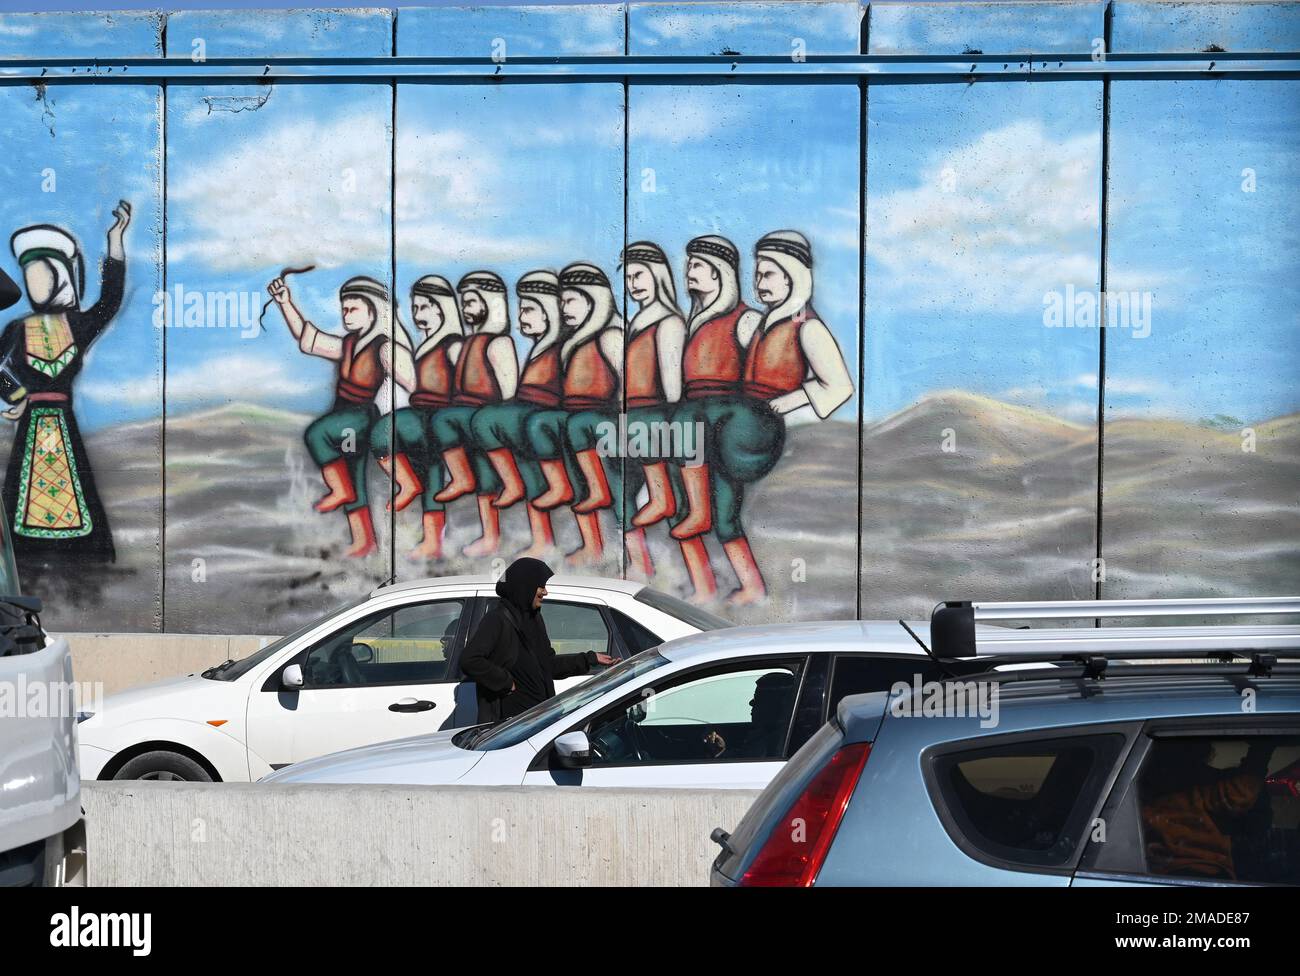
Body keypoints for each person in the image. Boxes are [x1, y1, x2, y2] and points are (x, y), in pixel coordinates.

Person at [2, 204, 131, 569]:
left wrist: (115, 242)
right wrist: (15, 397)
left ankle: (84, 560)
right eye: (30, 278)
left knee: (77, 492)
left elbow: (109, 302)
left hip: (63, 421)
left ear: (60, 277)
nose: (34, 285)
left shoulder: (78, 324)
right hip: (31, 426)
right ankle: (24, 560)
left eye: (42, 276)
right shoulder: (17, 329)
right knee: (21, 497)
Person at [459, 557, 616, 725]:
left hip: (542, 718)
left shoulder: (533, 619)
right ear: (525, 586)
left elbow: (549, 665)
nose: (545, 592)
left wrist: (589, 659)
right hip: (511, 726)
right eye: (540, 586)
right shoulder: (498, 620)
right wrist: (504, 682)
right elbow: (470, 660)